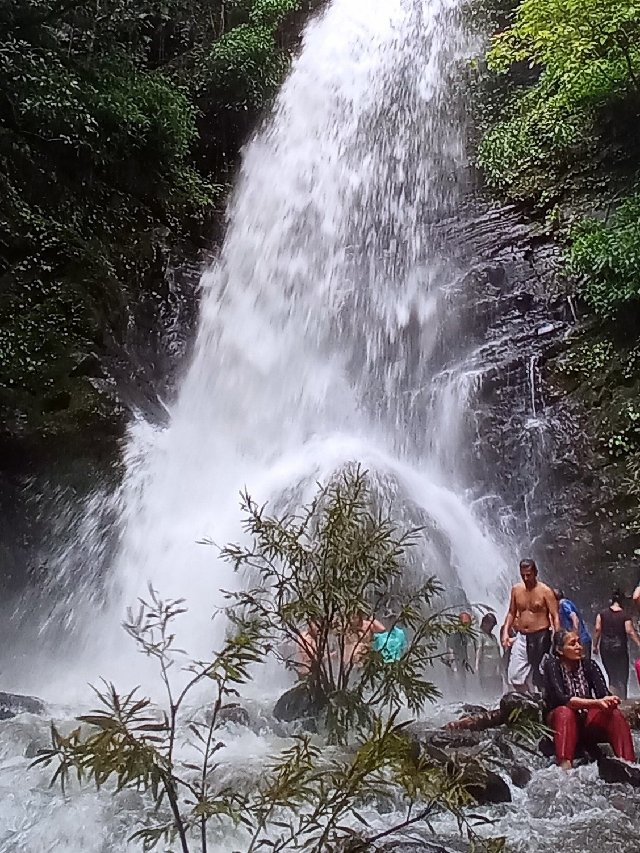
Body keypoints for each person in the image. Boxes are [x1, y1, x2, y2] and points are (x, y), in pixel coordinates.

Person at [542, 629, 635, 769]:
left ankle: (629, 765)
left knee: (614, 714)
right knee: (564, 712)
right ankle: (565, 767)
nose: (579, 647)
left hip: (587, 720)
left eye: (579, 642)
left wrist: (611, 701)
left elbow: (603, 694)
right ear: (560, 650)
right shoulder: (552, 666)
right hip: (560, 722)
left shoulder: (589, 665)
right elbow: (562, 699)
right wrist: (597, 703)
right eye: (573, 644)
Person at [502, 559, 560, 692]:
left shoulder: (545, 591)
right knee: (514, 676)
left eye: (529, 575)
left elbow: (555, 615)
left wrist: (557, 637)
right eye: (523, 575)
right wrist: (506, 631)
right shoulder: (516, 590)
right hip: (521, 637)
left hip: (541, 635)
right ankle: (529, 699)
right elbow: (511, 612)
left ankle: (544, 703)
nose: (526, 578)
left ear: (535, 573)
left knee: (541, 675)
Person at [593, 589, 640, 699]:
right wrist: (638, 643)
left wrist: (594, 646)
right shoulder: (624, 615)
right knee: (622, 676)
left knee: (611, 675)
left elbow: (597, 629)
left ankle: (613, 698)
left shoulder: (602, 614)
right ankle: (623, 699)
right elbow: (630, 631)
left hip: (605, 647)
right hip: (620, 648)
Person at [554, 589, 592, 659]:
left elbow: (574, 617)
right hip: (581, 640)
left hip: (581, 640)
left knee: (585, 665)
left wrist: (575, 635)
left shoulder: (563, 603)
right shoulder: (565, 603)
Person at [475, 613, 503, 695]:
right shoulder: (480, 636)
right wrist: (476, 666)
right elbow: (478, 649)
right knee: (488, 686)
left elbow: (497, 651)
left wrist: (500, 665)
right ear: (485, 623)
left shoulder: (493, 637)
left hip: (496, 666)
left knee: (498, 685)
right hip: (486, 666)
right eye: (491, 625)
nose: (492, 628)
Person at [446, 611, 474, 689]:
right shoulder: (453, 635)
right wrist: (454, 669)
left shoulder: (465, 635)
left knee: (463, 686)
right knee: (455, 687)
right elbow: (450, 651)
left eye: (468, 624)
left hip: (462, 665)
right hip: (454, 665)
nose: (467, 626)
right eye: (464, 624)